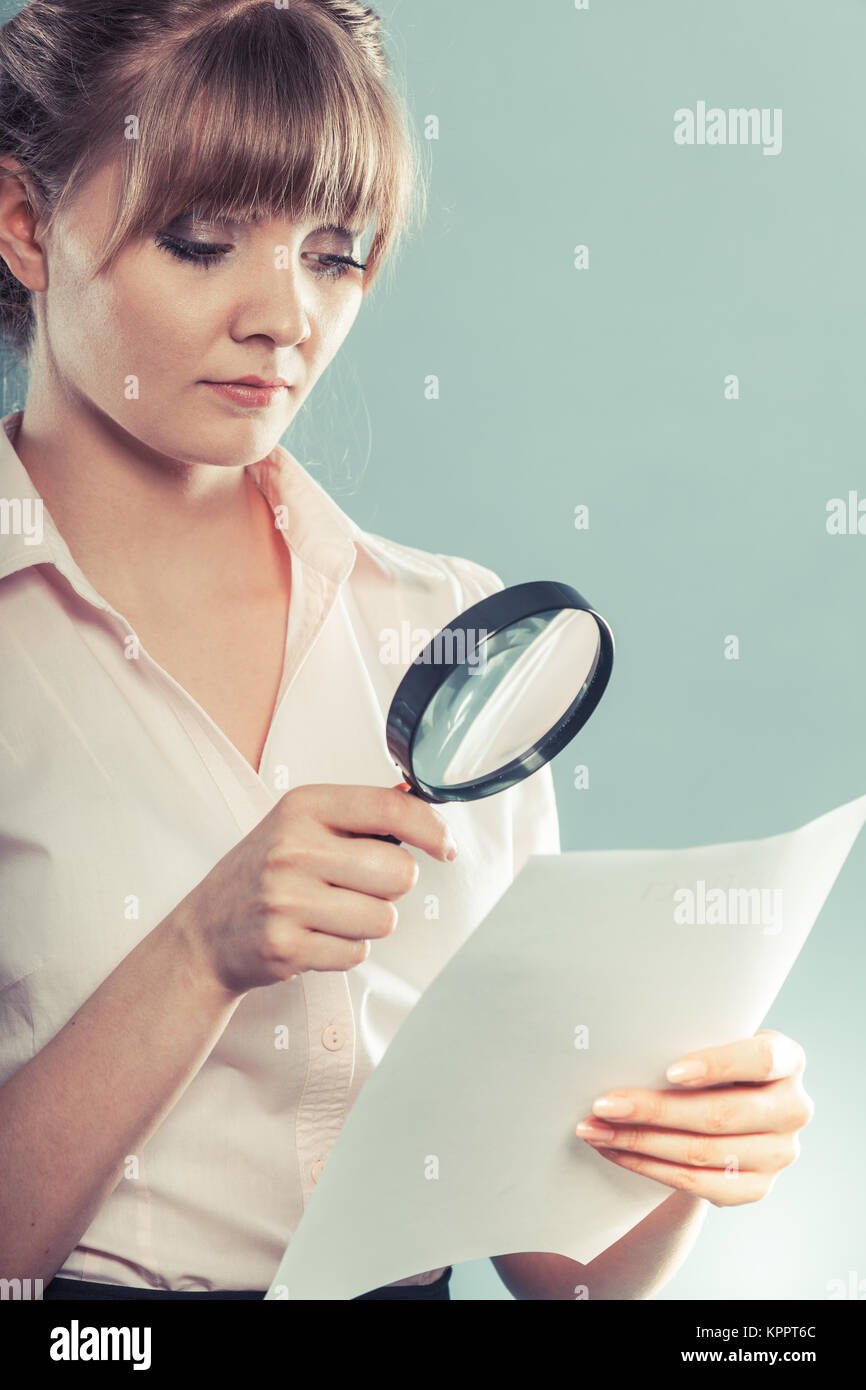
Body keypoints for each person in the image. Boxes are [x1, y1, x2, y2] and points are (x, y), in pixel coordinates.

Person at [0, 0, 561, 1300]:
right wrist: (199, 948)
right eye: (202, 243)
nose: (284, 315)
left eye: (336, 253)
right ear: (26, 223)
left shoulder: (449, 633)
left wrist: (675, 1158)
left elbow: (566, 1276)